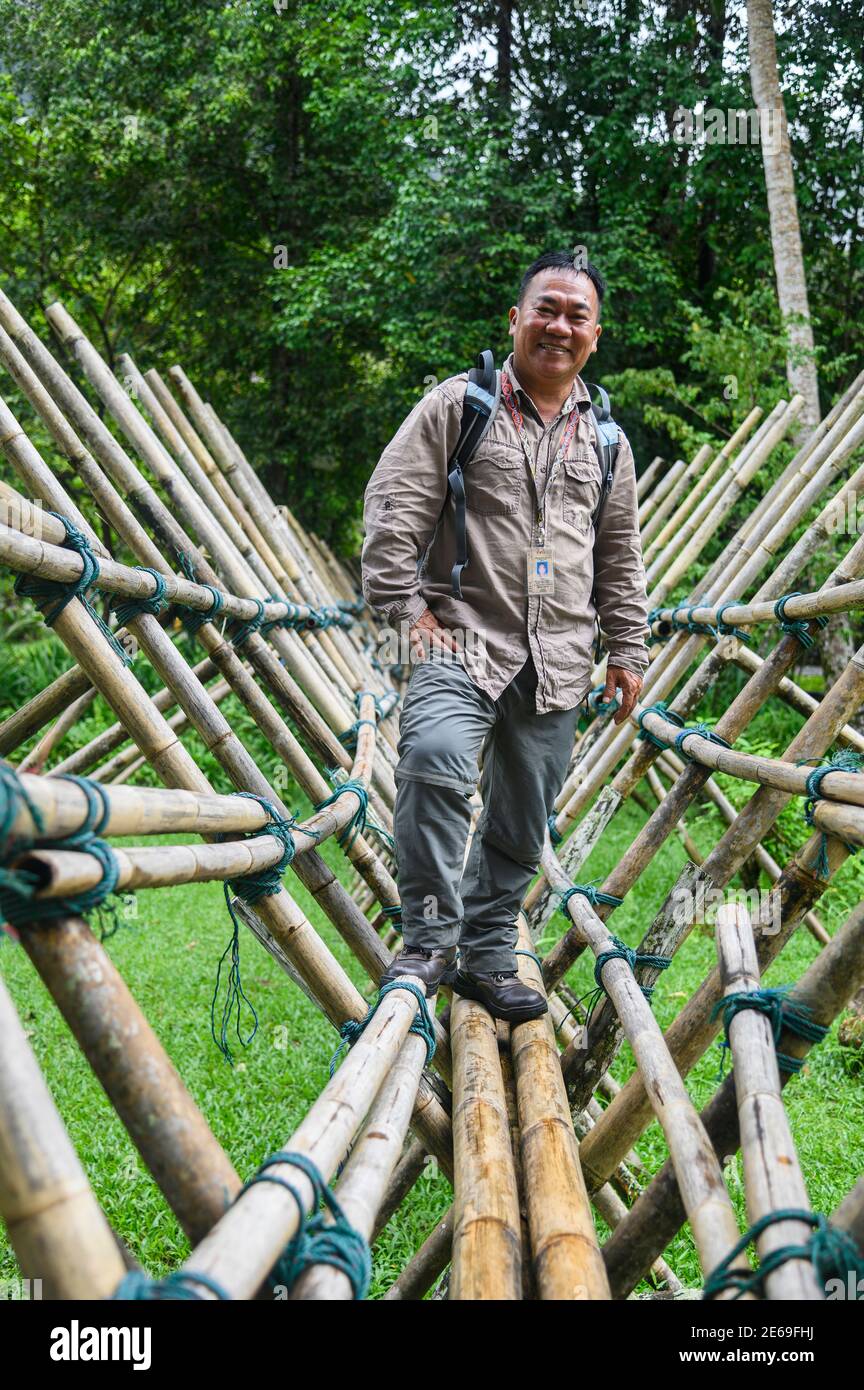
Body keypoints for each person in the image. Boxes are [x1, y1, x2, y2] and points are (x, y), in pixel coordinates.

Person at [360, 249, 650, 1022]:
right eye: (545, 309)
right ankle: (425, 941)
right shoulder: (463, 405)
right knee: (433, 762)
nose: (559, 326)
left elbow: (618, 552)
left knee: (523, 820)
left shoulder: (608, 439)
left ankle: (487, 960)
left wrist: (628, 648)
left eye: (576, 316)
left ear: (596, 334)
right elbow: (392, 508)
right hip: (461, 640)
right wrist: (407, 615)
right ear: (515, 318)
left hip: (559, 660)